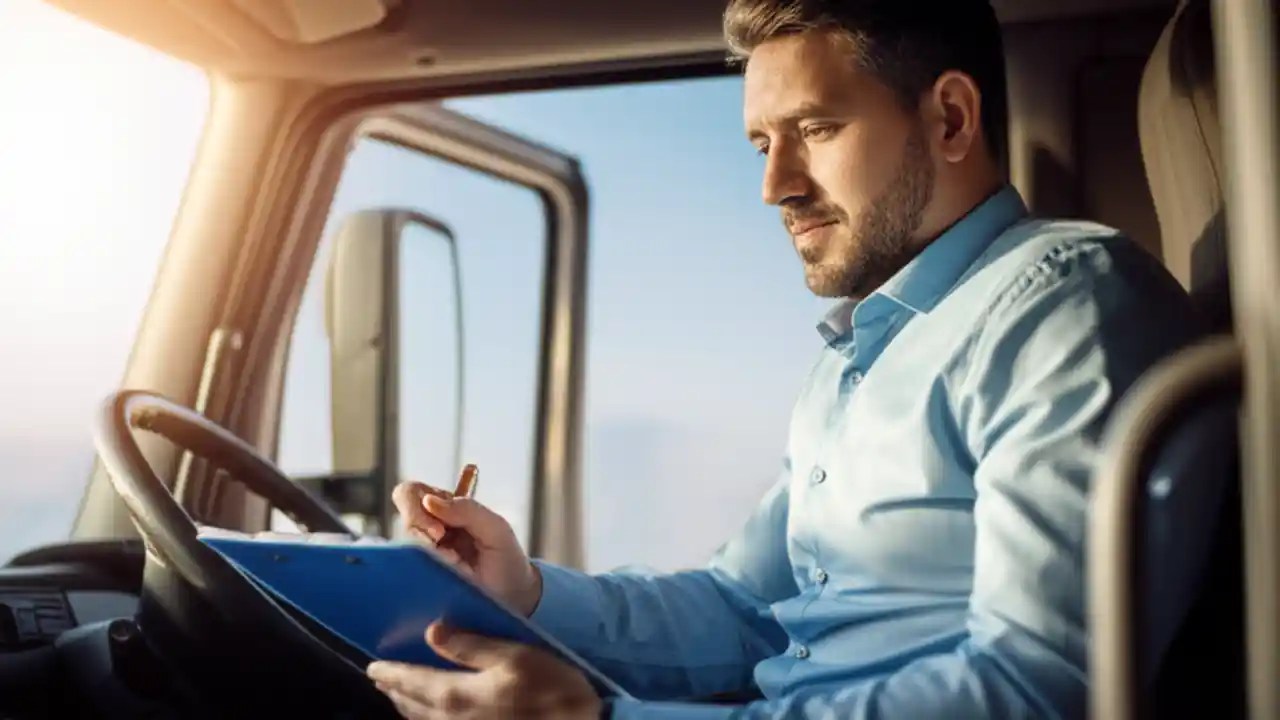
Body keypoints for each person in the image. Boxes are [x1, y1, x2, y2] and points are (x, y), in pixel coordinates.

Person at [366, 0, 1202, 717]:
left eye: (816, 129)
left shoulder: (1062, 306)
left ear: (950, 118)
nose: (776, 185)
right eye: (763, 143)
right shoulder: (862, 353)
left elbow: (1037, 691)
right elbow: (747, 612)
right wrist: (526, 594)